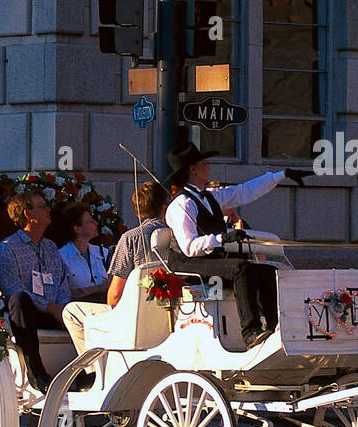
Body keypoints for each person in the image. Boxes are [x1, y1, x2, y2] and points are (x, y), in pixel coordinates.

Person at [163, 141, 309, 348]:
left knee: (266, 271)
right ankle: (250, 332)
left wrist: (281, 175)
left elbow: (244, 192)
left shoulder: (210, 197)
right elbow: (189, 247)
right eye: (204, 164)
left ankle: (274, 327)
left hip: (208, 259)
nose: (209, 167)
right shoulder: (181, 205)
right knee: (240, 268)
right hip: (186, 264)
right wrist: (221, 239)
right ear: (193, 170)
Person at [62, 179, 169, 353]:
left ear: (137, 210)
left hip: (135, 317)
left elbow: (115, 296)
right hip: (168, 314)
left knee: (71, 311)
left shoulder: (130, 239)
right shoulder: (178, 236)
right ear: (165, 206)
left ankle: (93, 369)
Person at [0, 191, 72, 393]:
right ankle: (37, 373)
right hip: (28, 315)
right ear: (28, 214)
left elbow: (62, 282)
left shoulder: (50, 247)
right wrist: (50, 307)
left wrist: (63, 309)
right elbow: (13, 288)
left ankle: (83, 372)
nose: (48, 210)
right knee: (20, 300)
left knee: (82, 308)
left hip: (54, 310)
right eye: (43, 206)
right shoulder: (7, 248)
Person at [56, 202, 109, 301]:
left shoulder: (103, 253)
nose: (96, 223)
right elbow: (67, 293)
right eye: (90, 221)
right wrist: (99, 288)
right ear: (77, 229)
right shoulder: (61, 257)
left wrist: (87, 290)